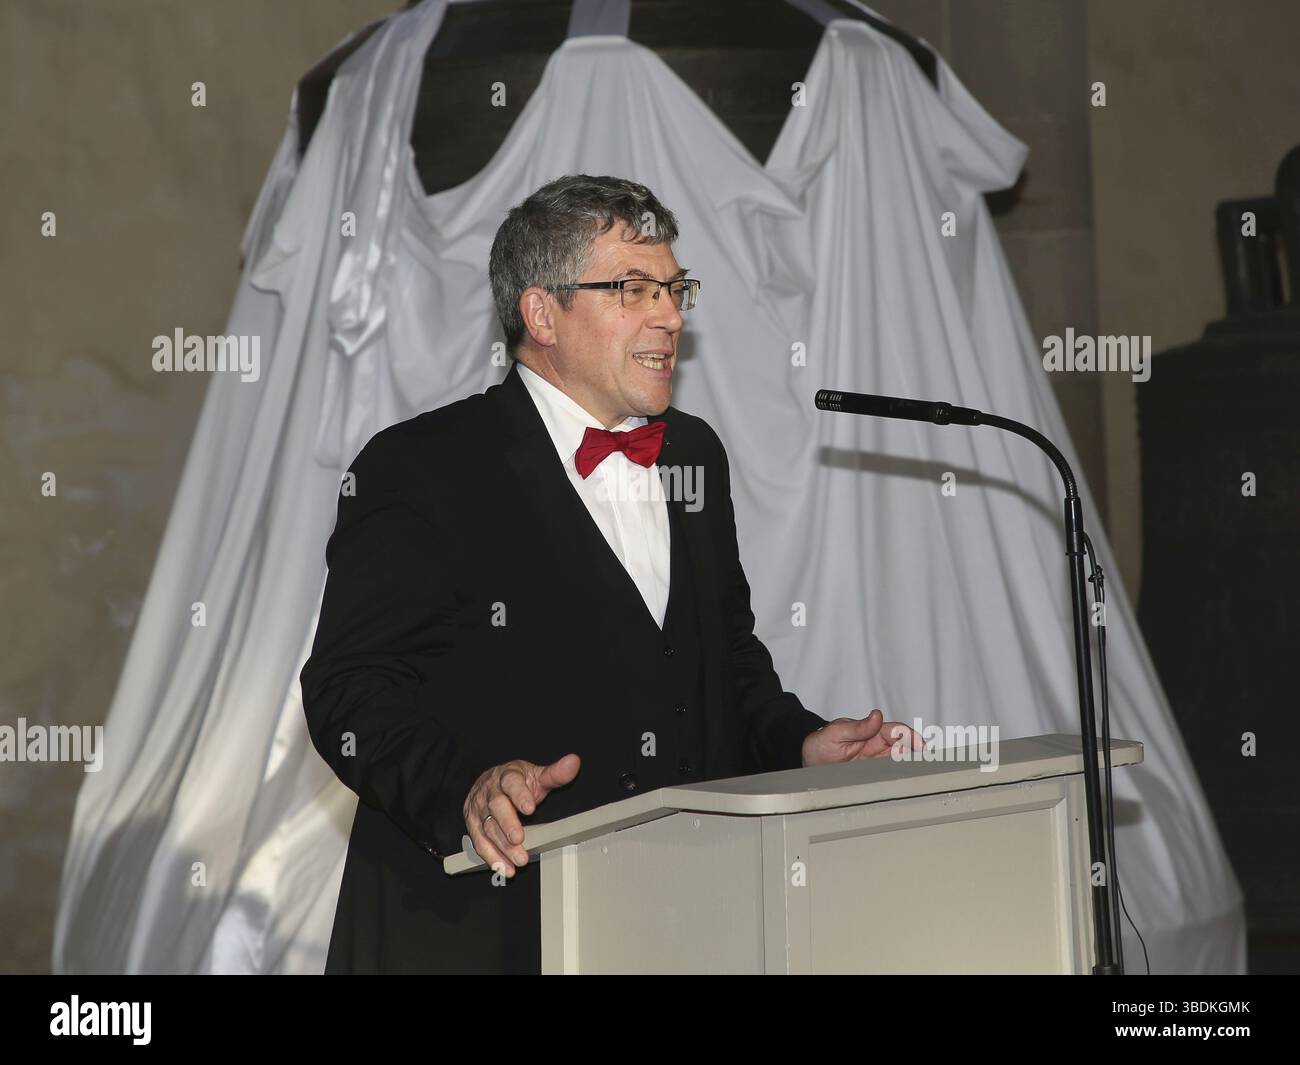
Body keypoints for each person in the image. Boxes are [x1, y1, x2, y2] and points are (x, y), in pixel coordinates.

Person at [300, 174, 918, 973]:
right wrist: (464, 789)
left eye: (673, 286)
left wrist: (798, 741)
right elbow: (347, 689)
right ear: (541, 313)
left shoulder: (693, 454)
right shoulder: (419, 468)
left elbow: (724, 662)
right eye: (633, 288)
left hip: (680, 919)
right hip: (481, 931)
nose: (670, 314)